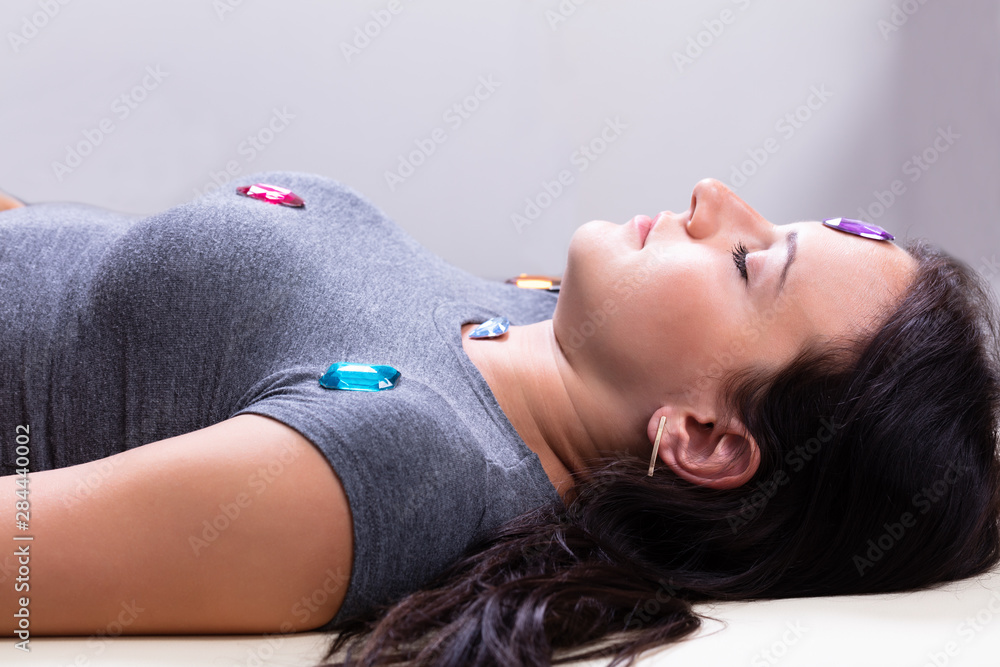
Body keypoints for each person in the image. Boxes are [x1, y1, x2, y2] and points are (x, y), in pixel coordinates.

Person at [1, 174, 998, 667]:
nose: (714, 197)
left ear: (703, 437)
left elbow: (20, 561)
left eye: (748, 263)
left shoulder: (403, 458)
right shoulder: (540, 321)